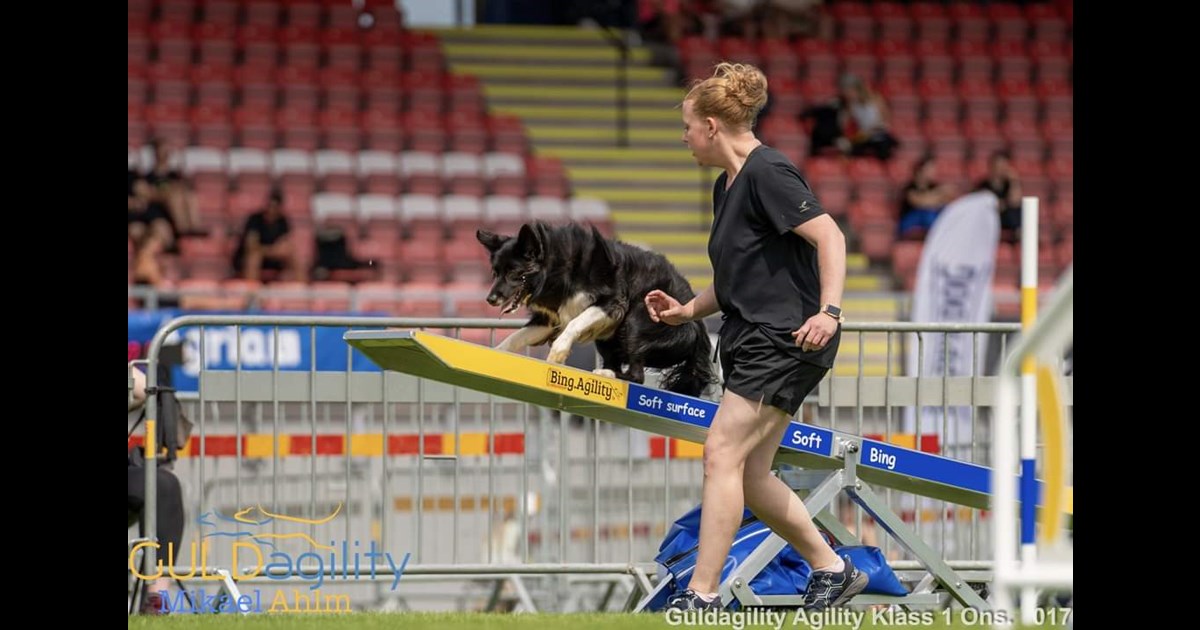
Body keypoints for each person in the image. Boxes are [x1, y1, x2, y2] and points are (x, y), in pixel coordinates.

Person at [645, 62, 866, 612]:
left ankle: (703, 594)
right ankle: (831, 567)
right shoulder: (728, 185)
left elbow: (830, 237)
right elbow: (738, 277)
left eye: (689, 125)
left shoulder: (769, 172)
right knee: (750, 471)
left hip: (788, 336)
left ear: (714, 127)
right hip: (753, 334)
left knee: (721, 452)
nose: (684, 136)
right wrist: (686, 311)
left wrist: (830, 311)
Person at [231, 189, 305, 282]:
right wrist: (268, 250)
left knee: (292, 253)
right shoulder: (255, 219)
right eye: (270, 206)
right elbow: (251, 245)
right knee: (254, 257)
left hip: (273, 257)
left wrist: (275, 250)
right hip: (249, 256)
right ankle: (252, 290)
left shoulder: (283, 221)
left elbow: (284, 242)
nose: (272, 210)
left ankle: (301, 288)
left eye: (275, 207)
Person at [897, 156, 957, 241]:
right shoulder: (910, 187)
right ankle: (939, 236)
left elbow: (948, 199)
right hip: (910, 222)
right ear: (920, 171)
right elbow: (921, 203)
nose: (933, 172)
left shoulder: (934, 186)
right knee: (927, 213)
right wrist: (938, 194)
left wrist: (933, 197)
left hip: (929, 221)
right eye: (930, 169)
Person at [975, 150, 1023, 242]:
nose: (1001, 169)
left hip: (1008, 220)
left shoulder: (1009, 185)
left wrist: (1014, 181)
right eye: (999, 165)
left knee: (1016, 210)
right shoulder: (983, 185)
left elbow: (1015, 201)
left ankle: (1018, 233)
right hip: (991, 220)